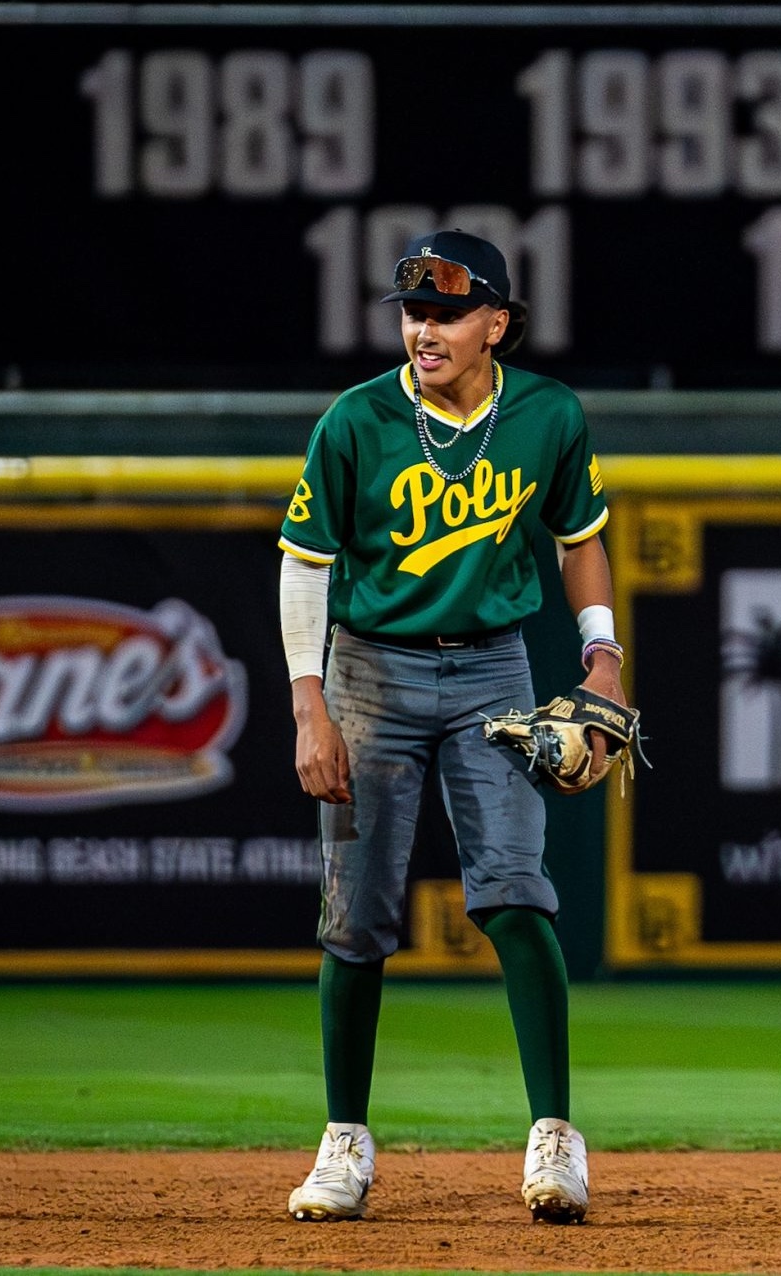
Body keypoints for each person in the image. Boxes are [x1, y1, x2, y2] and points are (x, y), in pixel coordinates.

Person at [275, 229, 627, 1226]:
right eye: (414, 313)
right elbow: (304, 562)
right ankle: (344, 1139)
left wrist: (602, 653)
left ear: (496, 324)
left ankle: (554, 1134)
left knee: (517, 895)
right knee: (355, 920)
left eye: (447, 314)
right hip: (369, 672)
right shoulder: (356, 420)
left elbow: (580, 541)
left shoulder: (547, 414)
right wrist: (309, 705)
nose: (424, 331)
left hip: (494, 670)